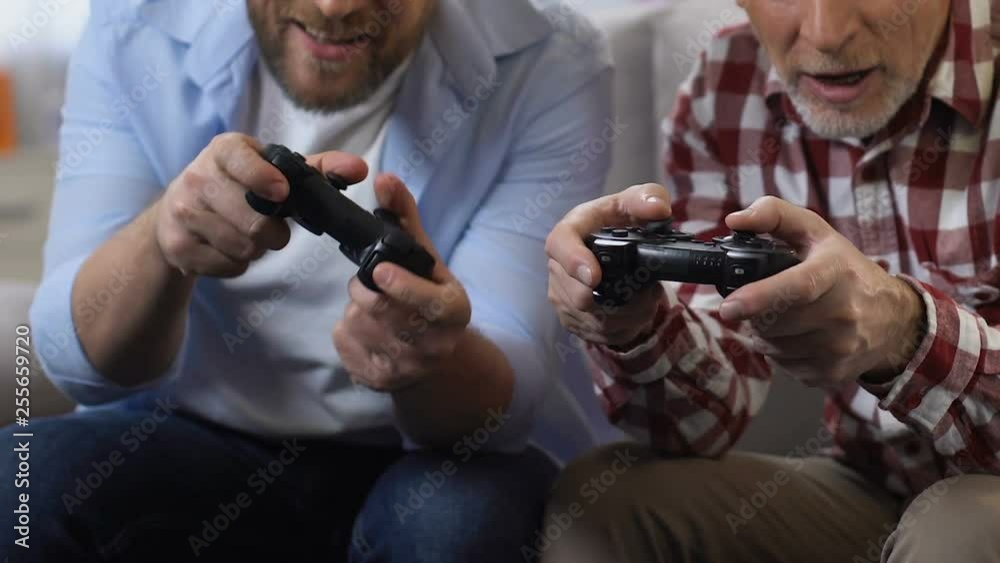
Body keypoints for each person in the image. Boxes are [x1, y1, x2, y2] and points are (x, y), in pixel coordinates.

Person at [0, 0, 614, 561]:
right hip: (190, 432)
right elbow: (78, 360)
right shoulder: (134, 22)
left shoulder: (552, 57)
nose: (332, 8)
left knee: (455, 526)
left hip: (426, 460)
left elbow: (504, 398)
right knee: (20, 480)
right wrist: (165, 238)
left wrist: (431, 358)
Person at [543, 0, 1000, 562]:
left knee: (957, 529)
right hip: (874, 489)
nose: (827, 35)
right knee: (604, 505)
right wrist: (632, 326)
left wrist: (909, 335)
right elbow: (701, 426)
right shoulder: (727, 81)